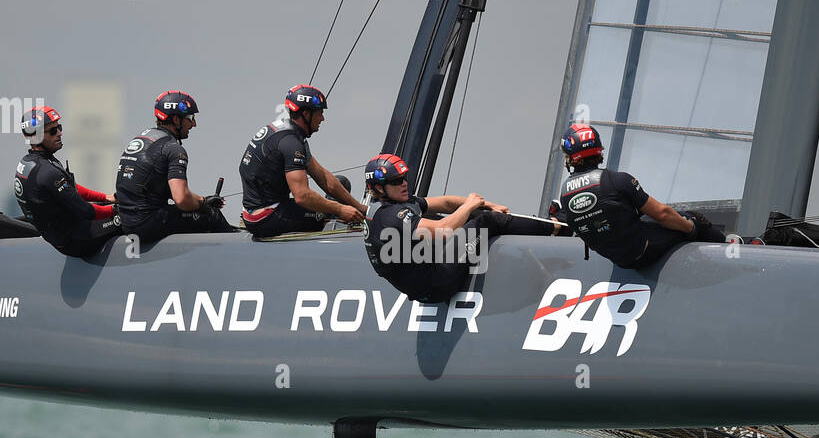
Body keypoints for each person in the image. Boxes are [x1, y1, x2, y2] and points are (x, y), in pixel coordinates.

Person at [362, 153, 560, 303]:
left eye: (405, 177)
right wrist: (472, 206)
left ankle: (547, 226)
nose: (404, 184)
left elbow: (447, 203)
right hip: (437, 284)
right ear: (379, 188)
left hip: (425, 281)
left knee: (472, 214)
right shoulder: (391, 216)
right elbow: (442, 229)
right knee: (487, 221)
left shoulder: (390, 205)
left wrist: (487, 203)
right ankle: (557, 226)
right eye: (396, 181)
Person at [553, 123, 725, 268]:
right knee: (690, 219)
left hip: (618, 260)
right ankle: (728, 248)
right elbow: (662, 214)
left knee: (648, 222)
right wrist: (691, 228)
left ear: (570, 157)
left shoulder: (564, 194)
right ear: (598, 149)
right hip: (643, 251)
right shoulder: (617, 180)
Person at [239, 84, 367, 237]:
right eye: (320, 113)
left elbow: (324, 178)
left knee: (341, 183)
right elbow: (302, 196)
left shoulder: (289, 132)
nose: (323, 118)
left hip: (268, 206)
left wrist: (360, 208)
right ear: (306, 114)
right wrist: (340, 210)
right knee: (329, 215)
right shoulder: (291, 143)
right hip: (264, 217)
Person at [115, 90, 234, 243]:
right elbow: (181, 199)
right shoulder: (173, 148)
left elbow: (160, 187)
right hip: (145, 225)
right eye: (191, 118)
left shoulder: (143, 139)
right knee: (212, 216)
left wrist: (203, 200)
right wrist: (204, 207)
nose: (194, 124)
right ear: (176, 120)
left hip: (128, 221)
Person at [13, 105, 121, 258]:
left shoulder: (33, 162)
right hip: (76, 239)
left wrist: (106, 198)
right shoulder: (47, 172)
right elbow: (86, 211)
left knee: (111, 207)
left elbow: (69, 188)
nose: (60, 133)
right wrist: (117, 210)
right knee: (132, 216)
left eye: (59, 128)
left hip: (64, 233)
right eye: (53, 131)